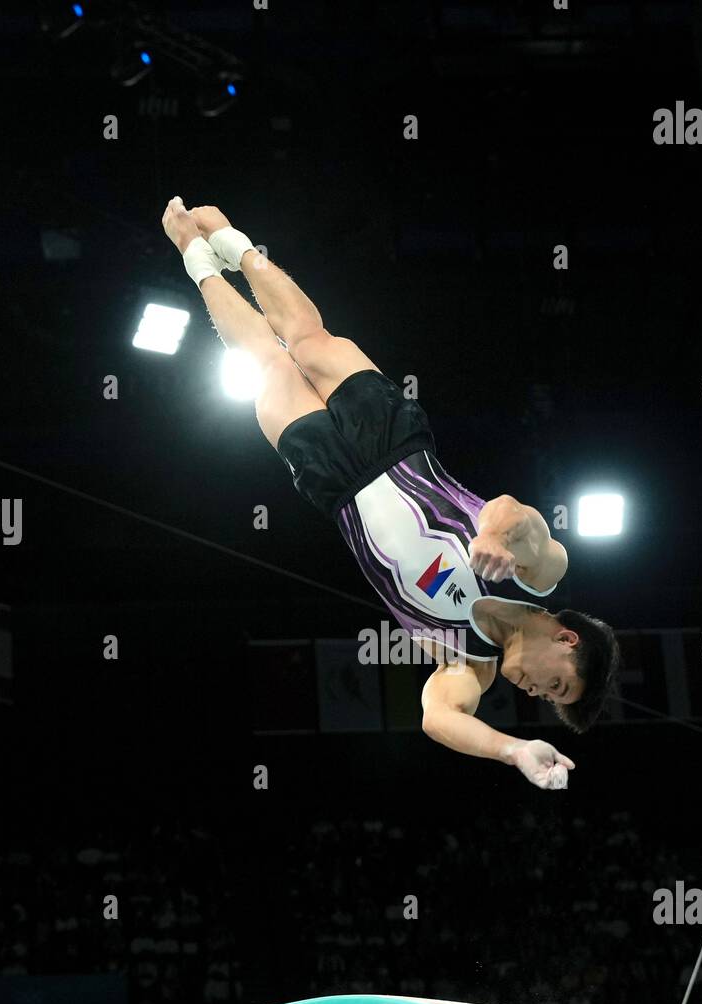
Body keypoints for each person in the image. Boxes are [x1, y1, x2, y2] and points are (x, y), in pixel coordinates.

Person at [162, 198, 620, 789]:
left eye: (545, 698)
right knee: (306, 336)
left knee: (267, 365)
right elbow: (518, 514)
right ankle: (233, 243)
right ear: (566, 638)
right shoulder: (541, 576)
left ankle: (194, 255)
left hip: (336, 486)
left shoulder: (468, 664)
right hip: (395, 440)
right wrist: (491, 536)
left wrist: (513, 751)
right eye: (556, 683)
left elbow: (438, 718)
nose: (533, 692)